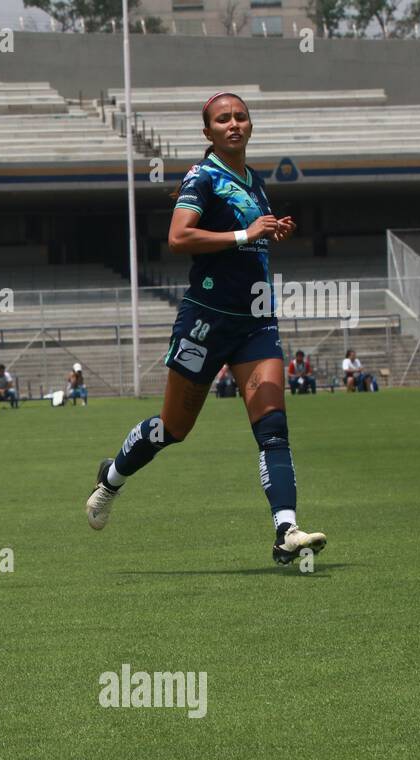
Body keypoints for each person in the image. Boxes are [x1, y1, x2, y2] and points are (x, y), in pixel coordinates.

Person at [83, 92, 326, 565]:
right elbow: (178, 237)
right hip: (206, 321)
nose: (234, 123)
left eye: (240, 116)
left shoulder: (254, 181)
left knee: (272, 428)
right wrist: (245, 234)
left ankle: (286, 531)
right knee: (174, 427)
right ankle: (112, 477)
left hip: (256, 321)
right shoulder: (202, 175)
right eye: (223, 119)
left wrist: (271, 231)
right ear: (208, 132)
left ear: (250, 124)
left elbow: (249, 238)